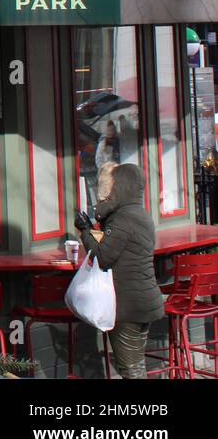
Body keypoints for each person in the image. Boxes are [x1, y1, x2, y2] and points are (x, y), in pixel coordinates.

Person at [75, 162, 163, 379]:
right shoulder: (138, 214)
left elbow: (103, 258)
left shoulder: (123, 218)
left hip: (129, 305)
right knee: (135, 365)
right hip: (143, 300)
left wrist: (85, 231)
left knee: (131, 370)